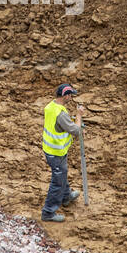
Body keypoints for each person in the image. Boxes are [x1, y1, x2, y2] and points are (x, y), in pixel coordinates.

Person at [41, 83, 84, 223]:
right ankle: (48, 213)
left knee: (62, 173)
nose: (71, 97)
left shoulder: (51, 106)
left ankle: (66, 197)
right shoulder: (60, 113)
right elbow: (76, 131)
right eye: (70, 95)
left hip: (52, 150)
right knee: (57, 182)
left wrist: (69, 121)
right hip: (56, 152)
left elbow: (59, 124)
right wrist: (78, 116)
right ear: (65, 96)